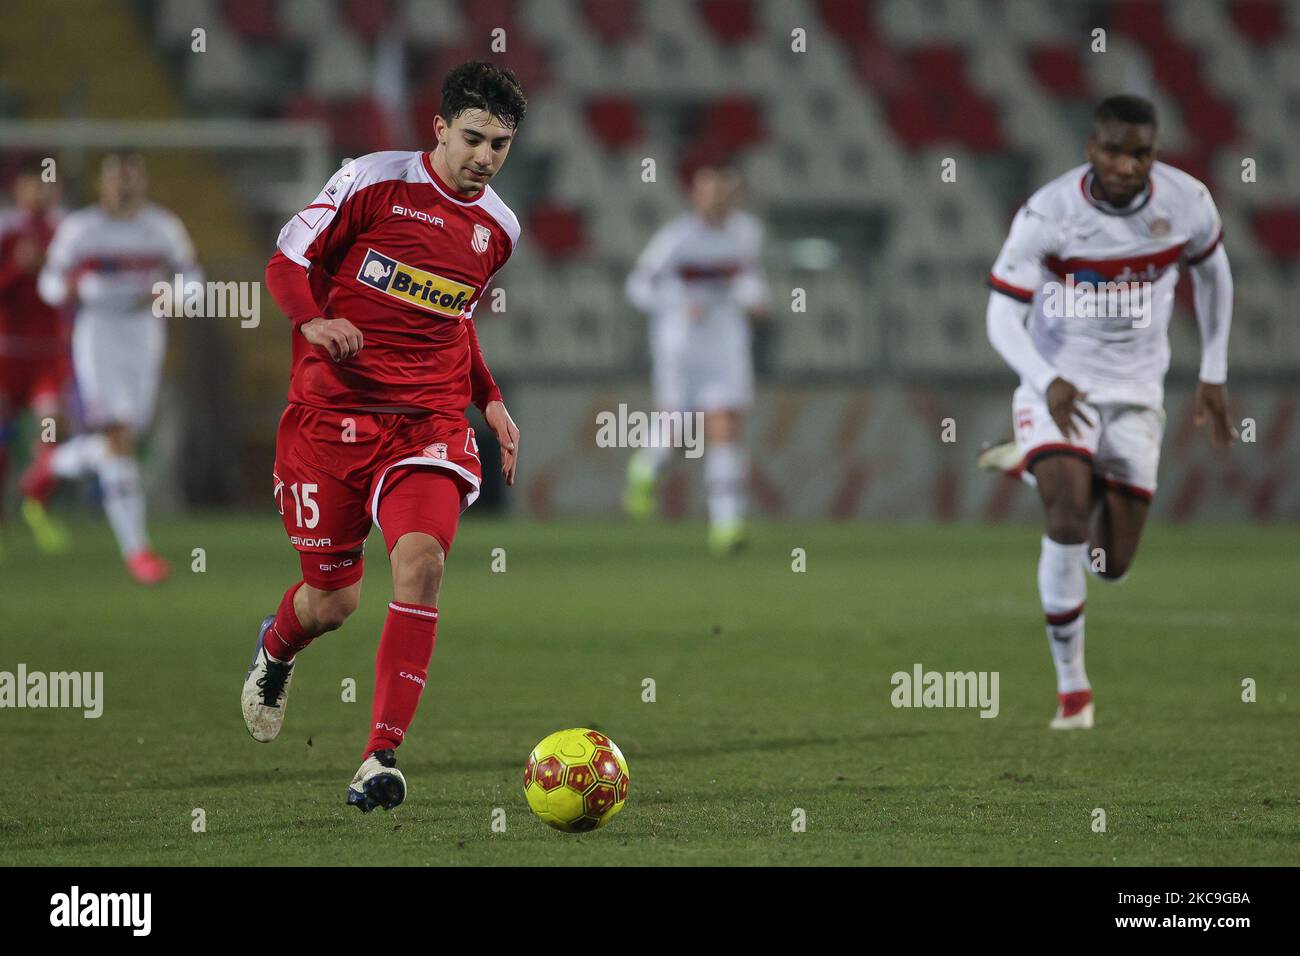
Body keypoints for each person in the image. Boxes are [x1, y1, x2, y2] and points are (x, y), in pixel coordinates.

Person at [243, 61, 526, 813]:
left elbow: (454, 317)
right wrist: (311, 320)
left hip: (428, 421)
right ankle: (274, 649)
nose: (486, 158)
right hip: (328, 422)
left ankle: (380, 755)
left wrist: (487, 398)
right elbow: (286, 260)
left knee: (422, 563)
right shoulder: (370, 183)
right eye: (473, 139)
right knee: (332, 602)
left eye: (501, 145)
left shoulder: (498, 228)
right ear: (438, 129)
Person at [982, 94, 1234, 729]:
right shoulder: (1050, 212)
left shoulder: (1186, 203)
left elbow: (1215, 275)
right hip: (1061, 388)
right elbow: (1000, 315)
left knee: (1111, 565)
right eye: (1115, 151)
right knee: (1067, 520)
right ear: (1091, 150)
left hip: (1138, 394)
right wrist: (1046, 378)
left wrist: (1213, 372)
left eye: (1141, 153)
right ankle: (1074, 691)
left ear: (1154, 153)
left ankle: (1043, 464)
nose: (1127, 165)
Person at [31, 153, 200, 584]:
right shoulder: (80, 230)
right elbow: (48, 283)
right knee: (119, 438)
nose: (124, 186)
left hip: (144, 335)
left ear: (143, 181)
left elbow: (194, 283)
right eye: (116, 178)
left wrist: (171, 297)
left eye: (132, 177)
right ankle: (138, 553)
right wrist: (65, 290)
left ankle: (53, 464)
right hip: (97, 336)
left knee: (120, 442)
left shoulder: (162, 227)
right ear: (101, 183)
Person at [624, 161, 769, 555]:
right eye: (709, 190)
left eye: (723, 190)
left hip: (726, 342)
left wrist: (756, 298)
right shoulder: (676, 239)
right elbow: (637, 286)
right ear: (696, 195)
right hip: (680, 343)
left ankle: (727, 524)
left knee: (726, 424)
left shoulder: (746, 233)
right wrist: (676, 303)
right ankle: (646, 466)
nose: (717, 198)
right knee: (677, 426)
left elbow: (747, 277)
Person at [0, 171, 69, 556]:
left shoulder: (65, 231)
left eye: (50, 184)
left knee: (49, 430)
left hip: (47, 355)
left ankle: (35, 501)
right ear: (19, 188)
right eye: (36, 183)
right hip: (7, 351)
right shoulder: (6, 229)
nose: (43, 191)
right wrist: (16, 269)